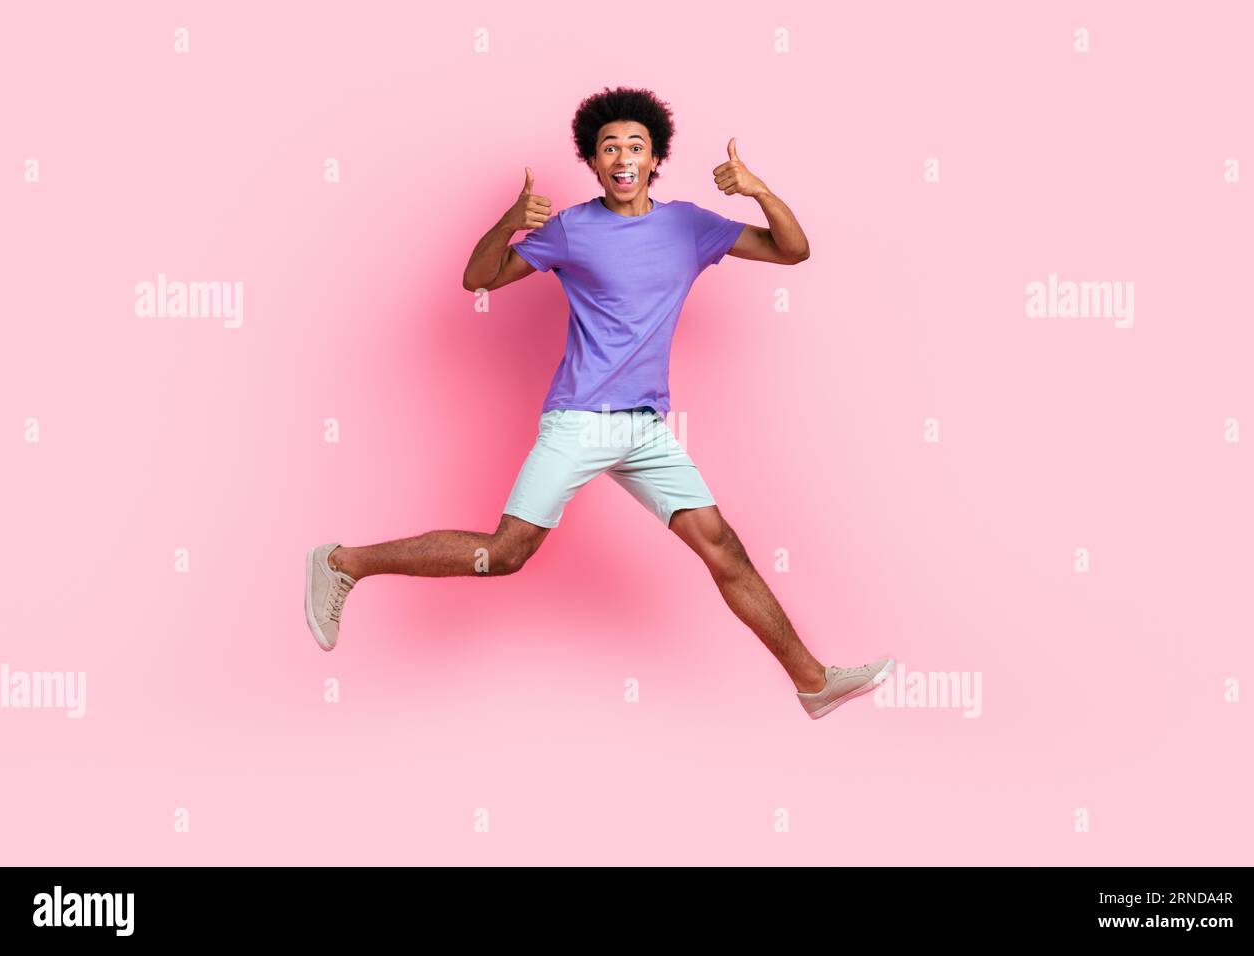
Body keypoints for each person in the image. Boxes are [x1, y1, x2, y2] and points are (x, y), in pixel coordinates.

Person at [305, 86, 893, 719]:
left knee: (723, 546)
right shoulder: (571, 229)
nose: (622, 157)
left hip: (645, 427)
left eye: (635, 146)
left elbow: (792, 249)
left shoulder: (690, 227)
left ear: (655, 158)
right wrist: (511, 221)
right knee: (505, 553)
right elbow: (479, 278)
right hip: (580, 418)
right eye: (609, 147)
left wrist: (758, 190)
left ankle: (813, 682)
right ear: (592, 160)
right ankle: (342, 562)